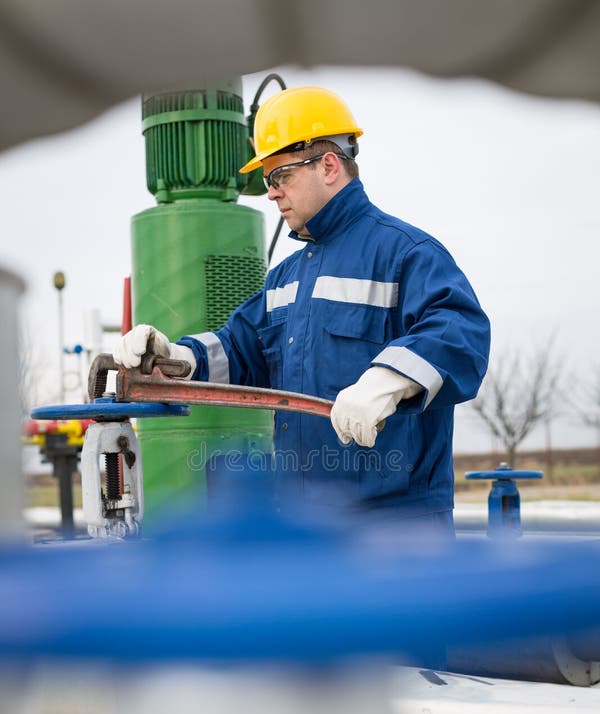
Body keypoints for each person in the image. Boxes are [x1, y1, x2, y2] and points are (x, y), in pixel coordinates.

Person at [114, 85, 490, 532]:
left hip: (397, 524)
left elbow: (460, 333)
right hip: (304, 524)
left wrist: (390, 380)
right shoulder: (286, 276)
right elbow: (241, 345)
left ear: (329, 165)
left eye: (280, 177)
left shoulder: (406, 254)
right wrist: (176, 356)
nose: (271, 193)